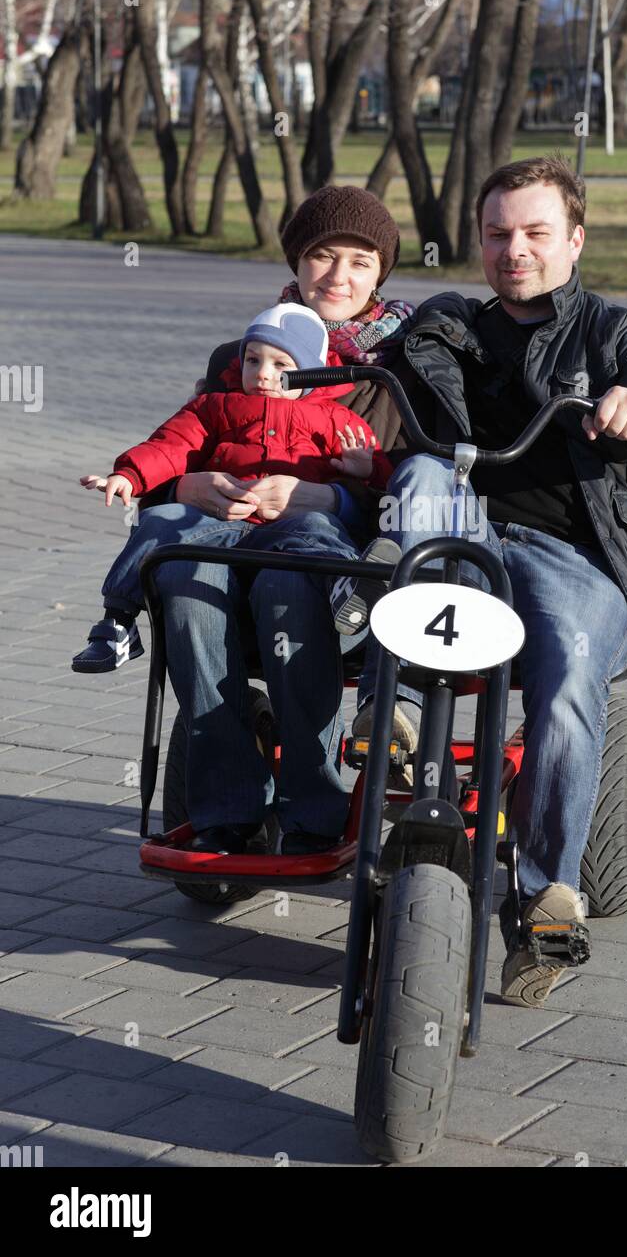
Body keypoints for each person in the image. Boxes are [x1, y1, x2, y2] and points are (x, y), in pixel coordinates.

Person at [341, 154, 627, 1007]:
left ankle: (547, 894)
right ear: (479, 241)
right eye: (499, 234)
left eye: (537, 233)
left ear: (573, 240)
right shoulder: (446, 325)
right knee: (426, 479)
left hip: (573, 555)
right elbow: (362, 350)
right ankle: (391, 699)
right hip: (457, 538)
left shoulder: (619, 329)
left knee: (572, 669)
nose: (516, 250)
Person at [142, 187, 414, 857]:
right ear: (297, 262)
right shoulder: (245, 357)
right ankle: (229, 806)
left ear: (381, 272)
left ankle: (314, 808)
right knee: (182, 581)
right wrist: (187, 483)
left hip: (338, 566)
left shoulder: (399, 369)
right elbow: (177, 446)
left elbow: (413, 493)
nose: (339, 276)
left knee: (286, 587)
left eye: (359, 260)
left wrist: (329, 500)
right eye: (323, 256)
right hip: (228, 540)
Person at [72, 304, 393, 679]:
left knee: (319, 525)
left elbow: (385, 480)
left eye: (281, 366)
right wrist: (129, 474)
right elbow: (171, 445)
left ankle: (345, 585)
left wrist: (367, 470)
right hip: (220, 525)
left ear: (311, 372)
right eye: (253, 360)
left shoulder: (335, 419)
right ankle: (118, 621)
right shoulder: (215, 406)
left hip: (287, 534)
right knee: (162, 518)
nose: (262, 374)